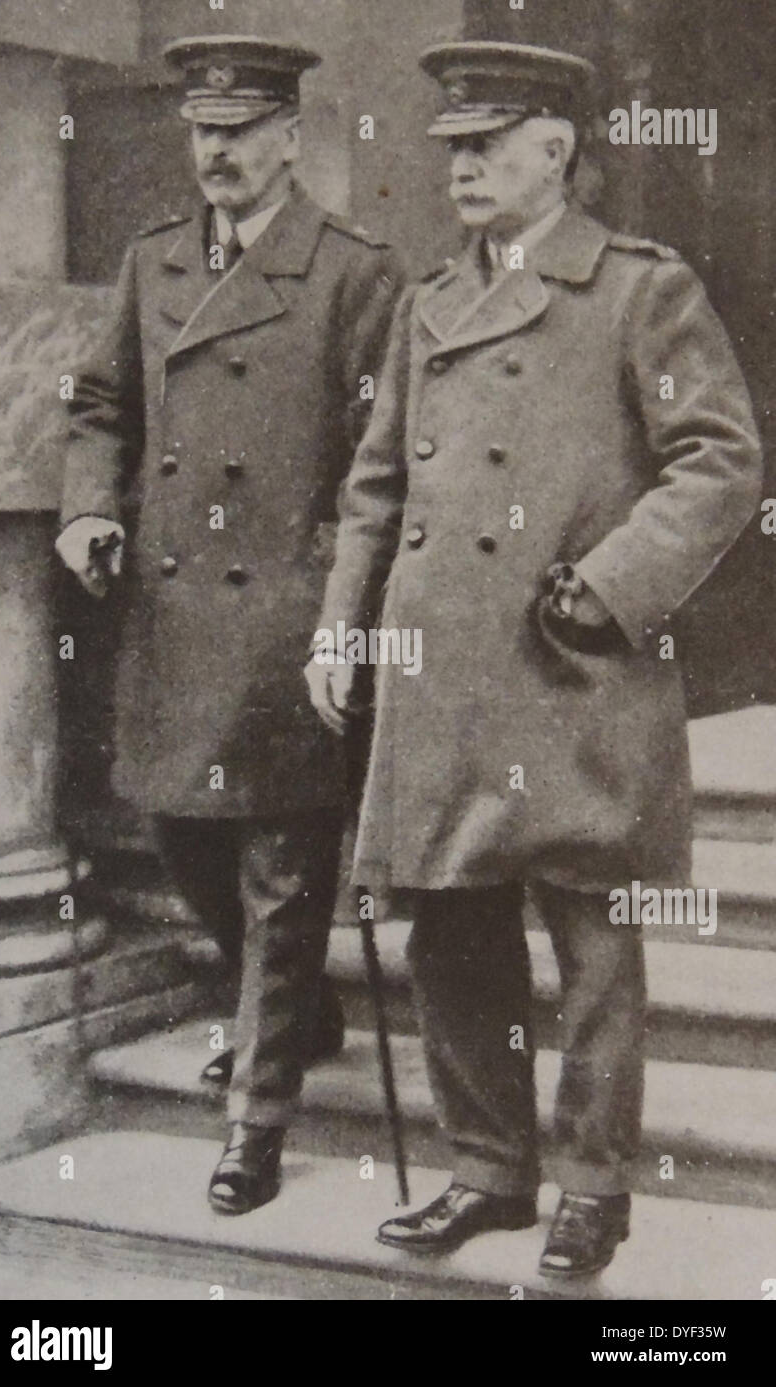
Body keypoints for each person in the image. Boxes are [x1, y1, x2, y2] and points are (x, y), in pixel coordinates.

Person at [307, 41, 762, 1277]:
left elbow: (718, 462)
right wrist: (343, 622)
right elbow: (375, 484)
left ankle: (593, 1187)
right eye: (450, 145)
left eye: (484, 144)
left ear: (553, 150)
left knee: (595, 946)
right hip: (441, 675)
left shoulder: (635, 290)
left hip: (572, 670)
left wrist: (611, 587)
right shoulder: (428, 302)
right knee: (450, 933)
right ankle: (488, 1172)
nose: (456, 165)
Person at [56, 34, 403, 1216]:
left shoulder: (354, 274)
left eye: (238, 133)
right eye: (200, 133)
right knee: (177, 827)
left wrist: (341, 607)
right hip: (168, 599)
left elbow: (383, 456)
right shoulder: (150, 264)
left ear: (287, 139)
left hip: (285, 614)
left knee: (277, 867)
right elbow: (100, 404)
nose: (214, 153)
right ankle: (298, 1011)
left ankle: (254, 1118)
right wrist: (89, 510)